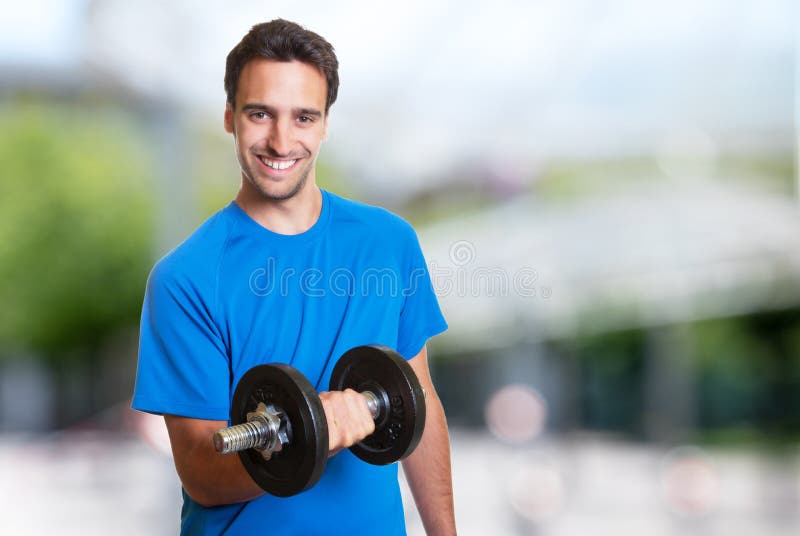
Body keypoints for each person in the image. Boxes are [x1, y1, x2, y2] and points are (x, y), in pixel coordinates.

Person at [131, 19, 456, 535]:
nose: (282, 141)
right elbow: (201, 473)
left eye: (303, 117)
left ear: (325, 125)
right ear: (230, 119)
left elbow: (419, 398)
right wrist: (315, 431)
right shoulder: (184, 279)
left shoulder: (388, 242)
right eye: (261, 114)